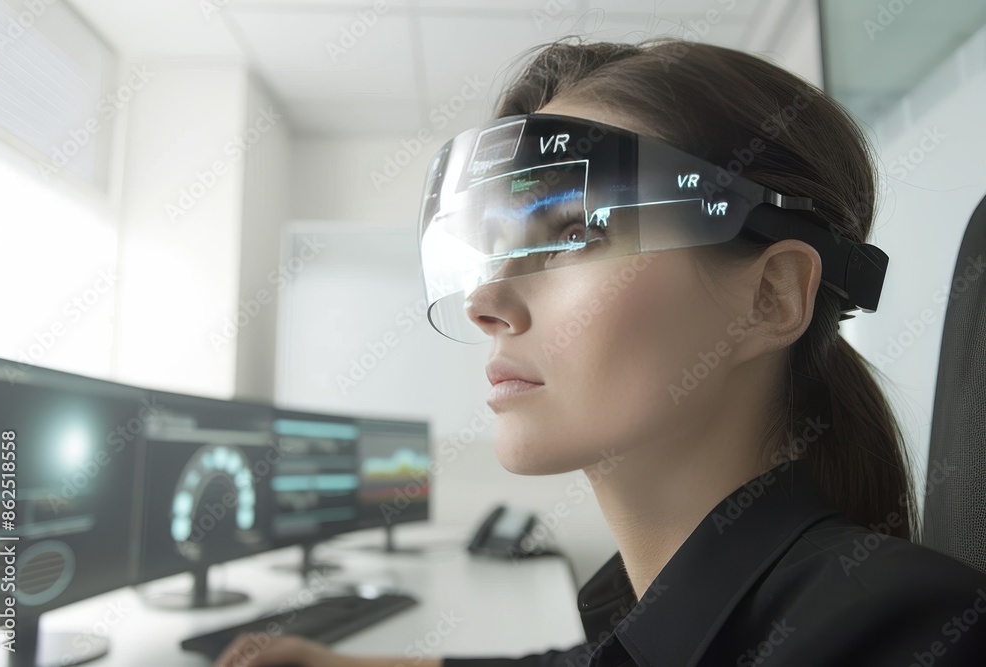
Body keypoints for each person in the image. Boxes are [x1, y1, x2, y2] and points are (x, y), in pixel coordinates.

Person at [214, 36, 986, 667]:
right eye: (495, 252)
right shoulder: (660, 608)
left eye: (571, 232)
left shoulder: (892, 634)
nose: (485, 302)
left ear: (772, 296)